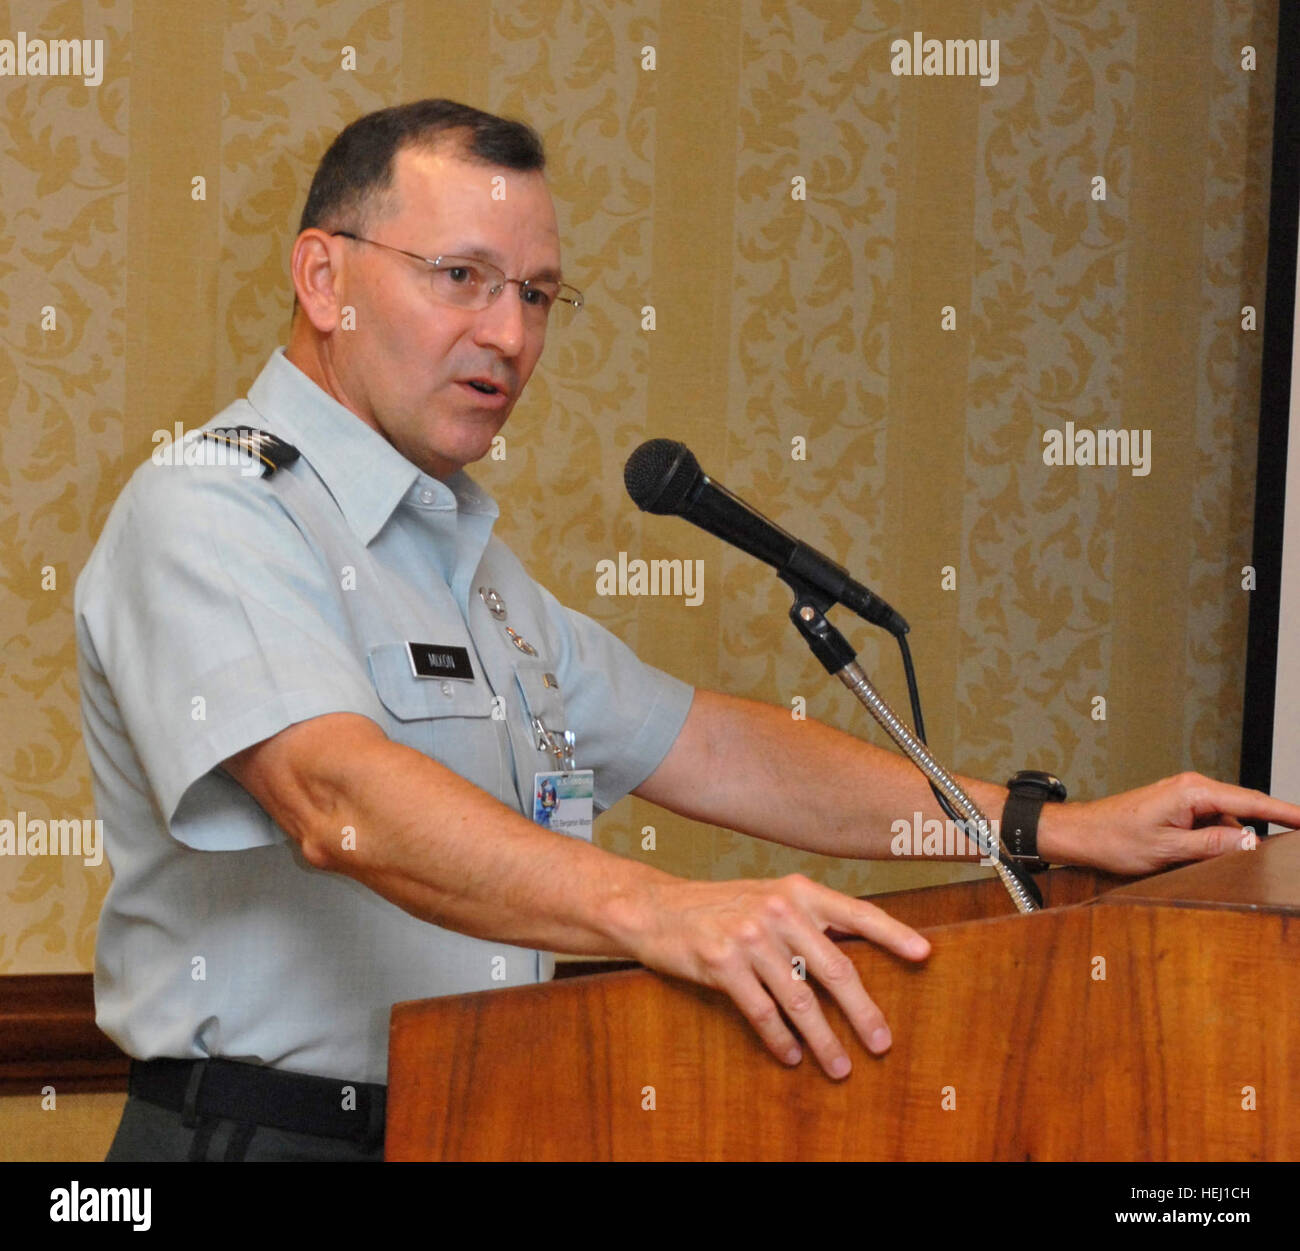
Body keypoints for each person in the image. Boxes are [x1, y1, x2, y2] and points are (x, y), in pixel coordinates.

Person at [75, 99, 1300, 1162]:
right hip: (262, 1138)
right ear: (324, 278)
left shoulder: (467, 563)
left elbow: (709, 746)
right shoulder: (215, 506)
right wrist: (660, 913)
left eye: (538, 295)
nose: (510, 337)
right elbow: (337, 798)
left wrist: (1044, 826)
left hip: (476, 1118)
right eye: (462, 278)